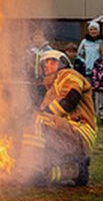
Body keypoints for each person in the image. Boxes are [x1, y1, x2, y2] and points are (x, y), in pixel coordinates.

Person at [32, 49, 96, 187]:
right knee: (43, 176)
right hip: (62, 132)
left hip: (79, 129)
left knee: (37, 120)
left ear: (63, 64)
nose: (47, 66)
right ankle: (77, 170)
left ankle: (32, 163)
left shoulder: (68, 74)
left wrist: (46, 112)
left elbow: (71, 97)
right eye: (45, 64)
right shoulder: (50, 89)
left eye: (52, 62)